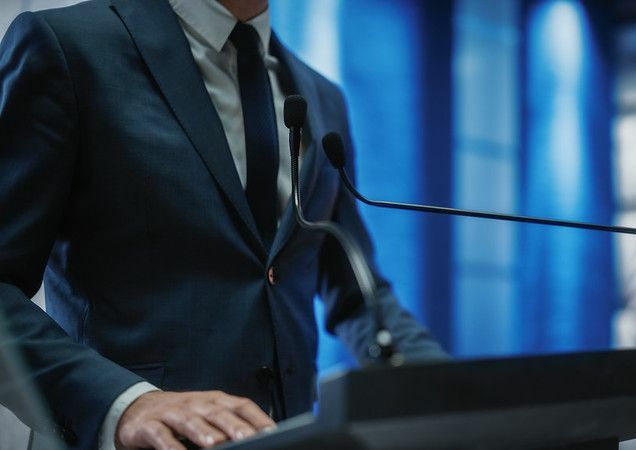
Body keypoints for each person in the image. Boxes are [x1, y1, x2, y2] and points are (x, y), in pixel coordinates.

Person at [0, 0, 448, 449]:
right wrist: (124, 402)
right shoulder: (67, 45)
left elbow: (358, 295)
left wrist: (458, 391)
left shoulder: (322, 97)